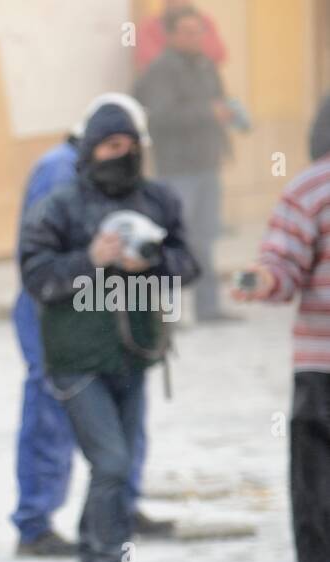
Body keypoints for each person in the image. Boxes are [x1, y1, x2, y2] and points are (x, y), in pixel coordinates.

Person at [19, 103, 199, 562]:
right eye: (112, 146)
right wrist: (90, 261)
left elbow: (190, 265)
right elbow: (37, 277)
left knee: (113, 469)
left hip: (135, 355)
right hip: (76, 359)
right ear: (92, 150)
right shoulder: (59, 206)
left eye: (131, 145)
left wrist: (154, 259)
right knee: (114, 462)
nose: (124, 154)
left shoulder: (158, 199)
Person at [232, 94, 330, 562]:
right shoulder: (312, 190)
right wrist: (262, 279)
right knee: (319, 514)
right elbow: (281, 265)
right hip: (322, 377)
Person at [133, 5, 235, 324]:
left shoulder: (205, 65)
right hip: (177, 170)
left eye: (199, 31)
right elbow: (159, 119)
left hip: (207, 164)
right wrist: (208, 113)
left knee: (205, 238)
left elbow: (219, 104)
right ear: (172, 35)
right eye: (189, 32)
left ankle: (208, 308)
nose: (196, 38)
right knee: (173, 240)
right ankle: (166, 313)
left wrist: (229, 119)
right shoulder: (161, 70)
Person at [133, 0, 227, 73]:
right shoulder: (149, 27)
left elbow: (218, 54)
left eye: (196, 32)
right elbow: (146, 62)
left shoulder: (204, 22)